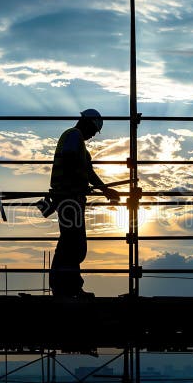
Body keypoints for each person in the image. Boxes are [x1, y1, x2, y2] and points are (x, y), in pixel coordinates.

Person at [48, 109, 120, 298]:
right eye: (94, 131)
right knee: (72, 243)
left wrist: (104, 190)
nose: (92, 136)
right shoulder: (74, 136)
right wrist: (78, 184)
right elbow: (71, 160)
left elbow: (87, 172)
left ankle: (66, 286)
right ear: (88, 124)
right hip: (68, 198)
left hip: (70, 198)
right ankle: (67, 287)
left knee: (71, 243)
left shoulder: (77, 142)